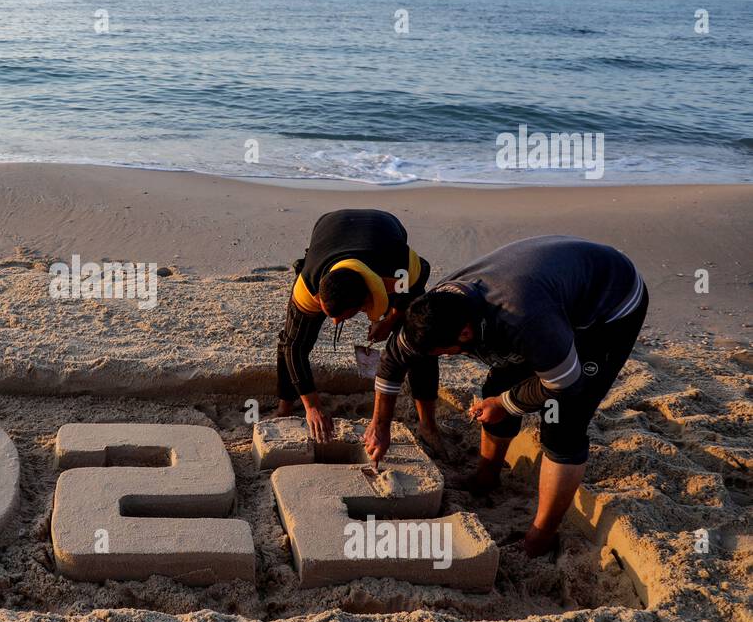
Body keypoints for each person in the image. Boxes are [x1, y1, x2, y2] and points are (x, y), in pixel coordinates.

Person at [364, 235, 647, 557]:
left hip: (609, 306)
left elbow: (565, 382)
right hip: (546, 287)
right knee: (496, 389)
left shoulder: (525, 321)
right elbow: (392, 363)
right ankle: (486, 475)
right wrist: (379, 425)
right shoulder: (434, 310)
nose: (443, 357)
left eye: (444, 353)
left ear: (466, 333)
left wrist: (505, 404)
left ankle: (541, 536)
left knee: (563, 426)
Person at [276, 208, 440, 446]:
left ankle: (428, 424)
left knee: (420, 340)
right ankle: (285, 407)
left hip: (385, 227)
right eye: (329, 315)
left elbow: (420, 274)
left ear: (365, 303)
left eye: (343, 317)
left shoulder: (399, 271)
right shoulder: (308, 284)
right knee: (292, 338)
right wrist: (311, 406)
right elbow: (293, 347)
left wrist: (390, 319)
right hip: (329, 227)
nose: (334, 323)